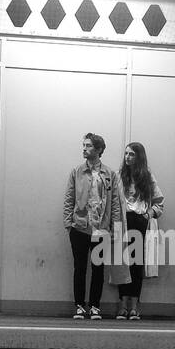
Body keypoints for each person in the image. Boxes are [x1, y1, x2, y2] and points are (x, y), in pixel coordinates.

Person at [63, 132, 124, 320]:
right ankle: (80, 306)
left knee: (98, 269)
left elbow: (114, 202)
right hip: (80, 227)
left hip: (101, 228)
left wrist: (114, 226)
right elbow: (69, 198)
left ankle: (95, 306)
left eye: (88, 146)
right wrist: (68, 223)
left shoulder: (109, 174)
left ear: (98, 149)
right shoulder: (77, 172)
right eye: (84, 145)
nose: (84, 148)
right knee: (79, 268)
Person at [115, 142, 164, 320]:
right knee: (122, 263)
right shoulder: (119, 176)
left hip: (139, 220)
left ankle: (134, 306)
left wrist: (148, 214)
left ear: (139, 157)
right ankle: (122, 304)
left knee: (136, 265)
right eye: (126, 154)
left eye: (131, 154)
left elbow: (160, 202)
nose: (127, 157)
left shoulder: (148, 178)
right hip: (123, 220)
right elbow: (113, 200)